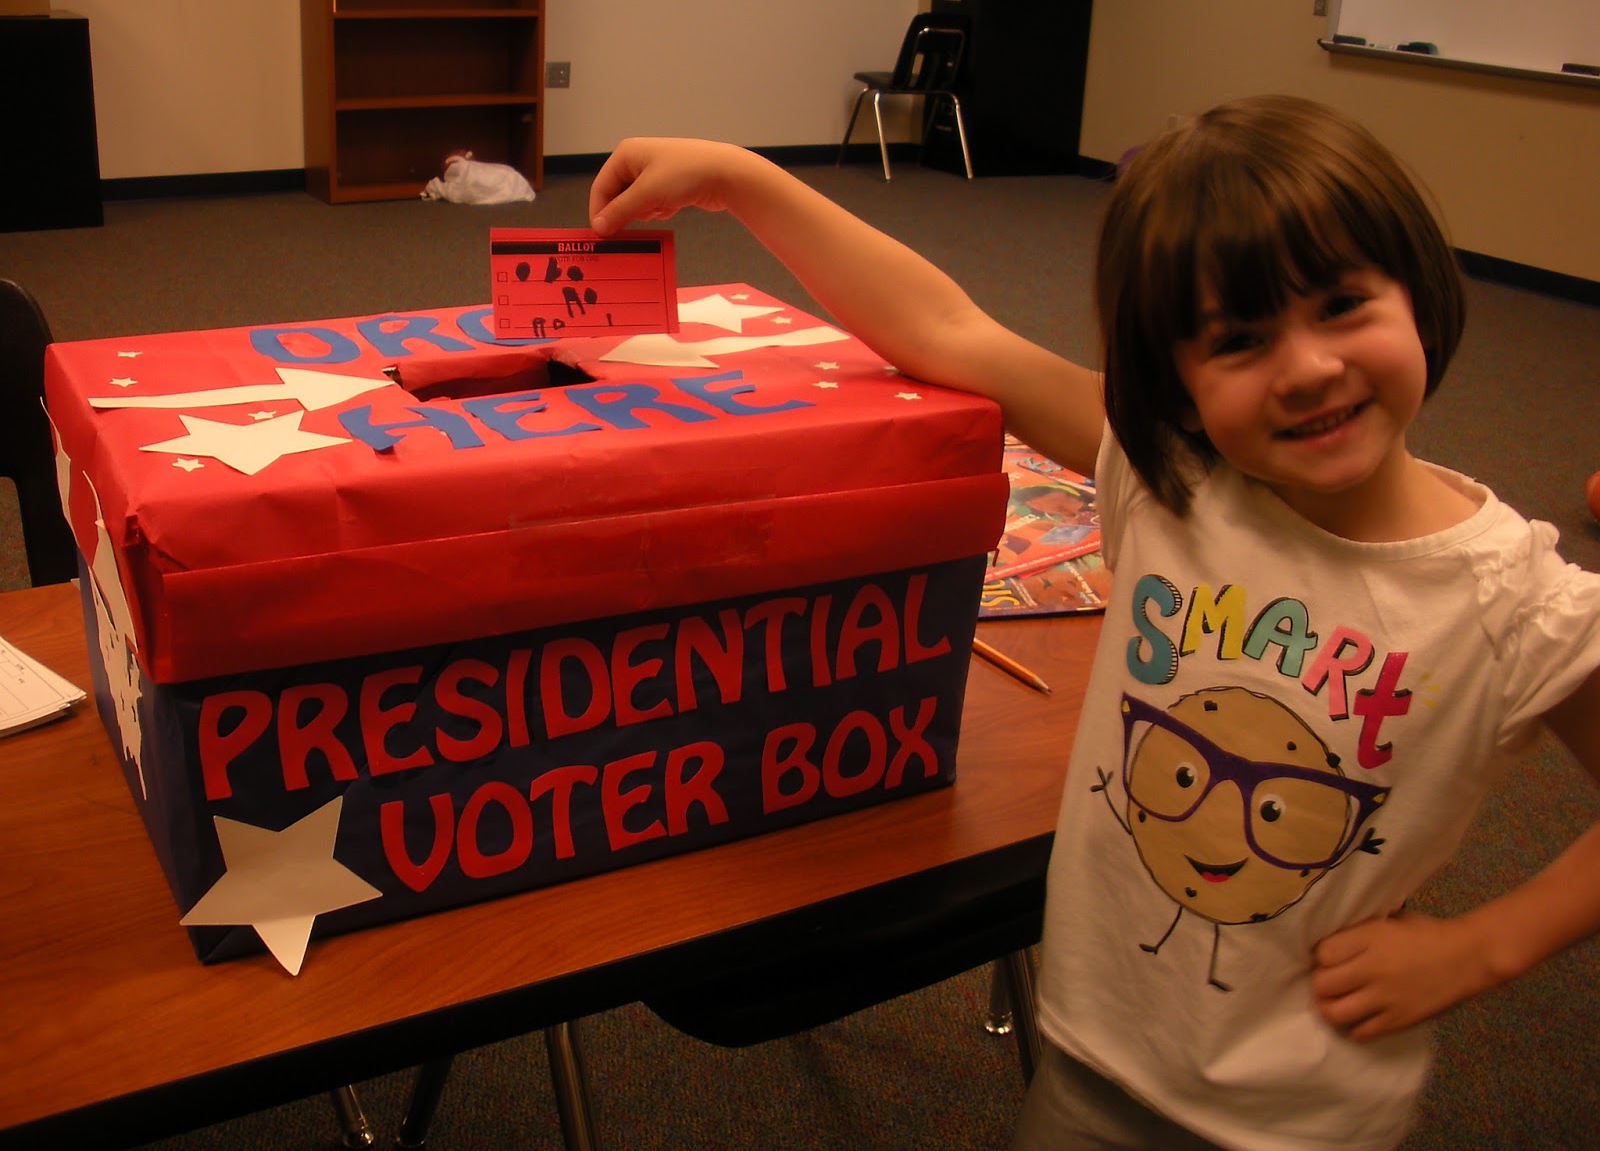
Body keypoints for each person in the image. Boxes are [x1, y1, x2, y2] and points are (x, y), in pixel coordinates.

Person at [587, 95, 1600, 1150]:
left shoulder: (1501, 591)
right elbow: (947, 331)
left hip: (1304, 1117)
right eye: (1240, 340)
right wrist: (739, 180)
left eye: (1342, 304)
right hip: (1086, 1061)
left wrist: (1481, 951)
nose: (1305, 368)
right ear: (1174, 382)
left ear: (1418, 291)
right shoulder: (1173, 483)